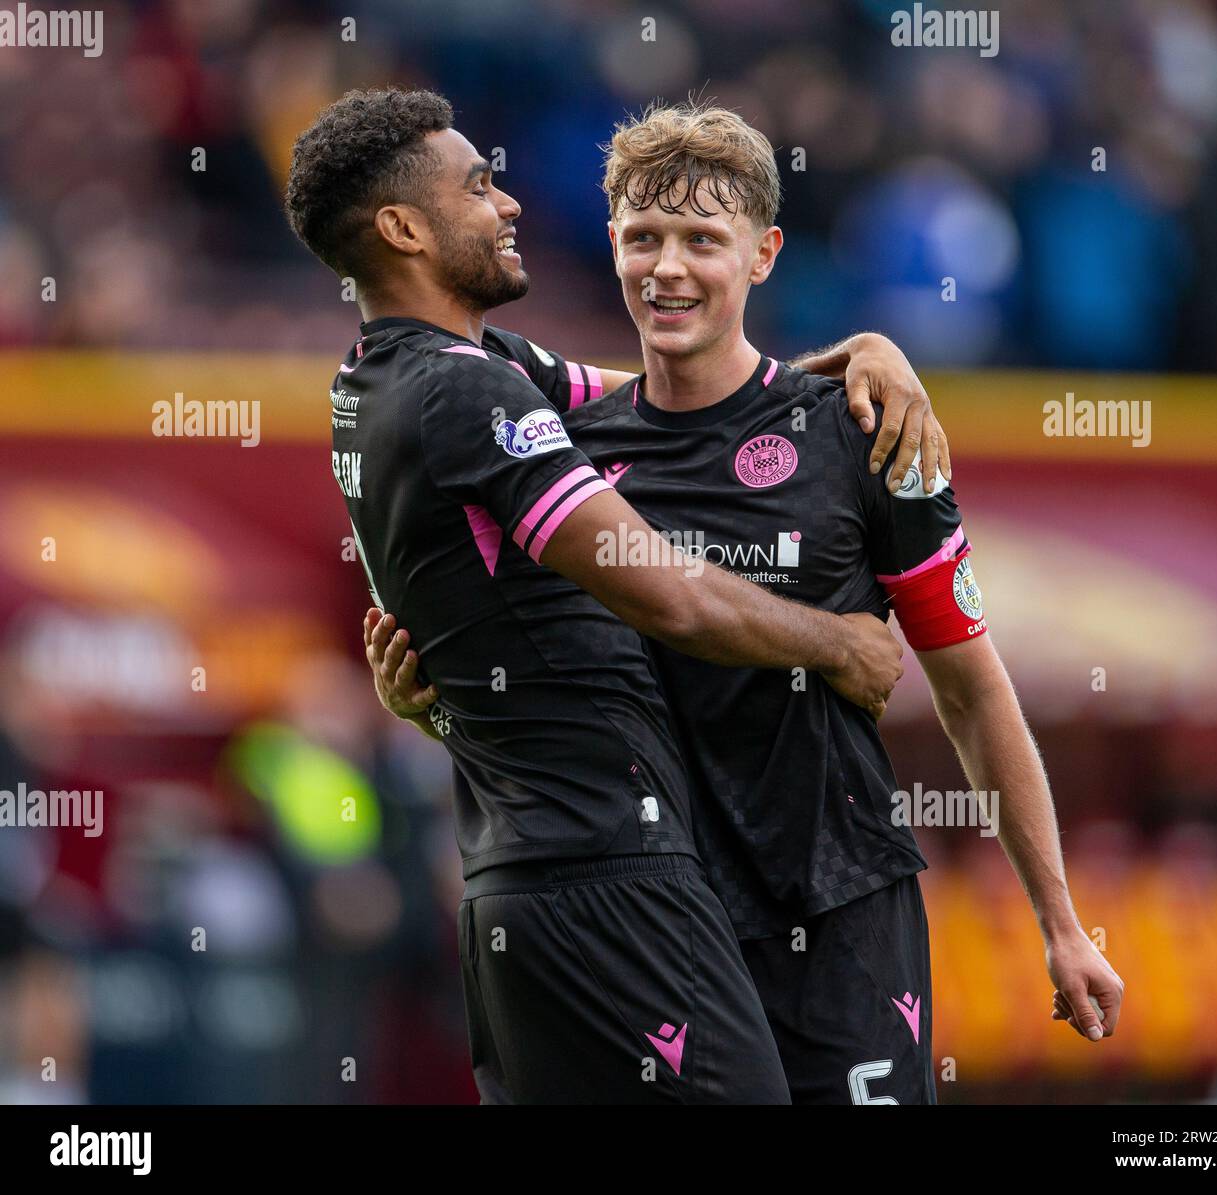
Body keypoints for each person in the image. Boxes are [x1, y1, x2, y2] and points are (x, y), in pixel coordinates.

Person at [367, 101, 1125, 1105]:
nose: (666, 267)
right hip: (656, 918)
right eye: (643, 238)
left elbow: (972, 692)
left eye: (701, 241)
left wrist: (1061, 922)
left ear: (763, 254)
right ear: (611, 246)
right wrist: (429, 706)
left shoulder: (860, 432)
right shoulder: (559, 439)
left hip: (838, 900)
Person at [285, 87, 946, 1104]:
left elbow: (667, 398)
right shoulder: (467, 394)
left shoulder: (394, 379)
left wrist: (857, 358)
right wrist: (838, 645)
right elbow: (668, 596)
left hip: (516, 883)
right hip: (602, 870)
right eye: (477, 186)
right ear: (404, 228)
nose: (507, 205)